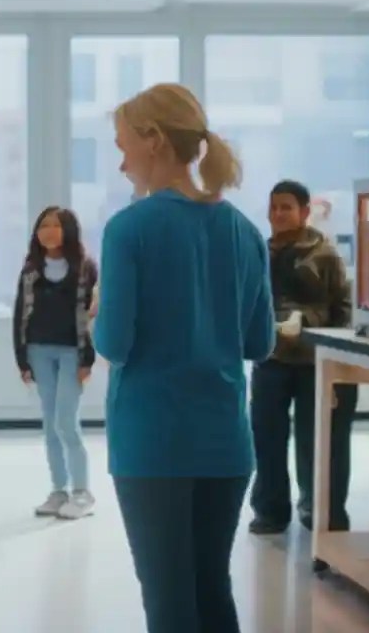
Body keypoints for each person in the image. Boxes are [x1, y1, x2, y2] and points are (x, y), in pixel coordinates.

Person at [94, 83, 274, 633]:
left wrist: (98, 309)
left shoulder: (129, 229)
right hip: (224, 442)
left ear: (153, 142)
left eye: (123, 144)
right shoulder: (244, 231)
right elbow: (259, 344)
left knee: (169, 600)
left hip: (153, 444)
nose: (121, 160)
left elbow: (113, 345)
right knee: (211, 591)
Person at [248, 180, 358, 535]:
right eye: (274, 207)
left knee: (318, 441)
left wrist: (308, 324)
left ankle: (319, 507)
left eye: (287, 207)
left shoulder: (324, 255)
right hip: (270, 359)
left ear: (305, 211)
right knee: (266, 438)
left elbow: (343, 309)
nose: (279, 214)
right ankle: (270, 510)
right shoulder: (259, 253)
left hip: (315, 362)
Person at [13, 206, 98, 519]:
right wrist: (21, 358)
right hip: (38, 350)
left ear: (69, 230)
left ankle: (82, 492)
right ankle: (59, 490)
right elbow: (20, 314)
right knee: (50, 424)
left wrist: (88, 358)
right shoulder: (30, 269)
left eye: (55, 225)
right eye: (43, 225)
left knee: (66, 420)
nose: (48, 231)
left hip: (71, 352)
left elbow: (92, 315)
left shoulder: (85, 268)